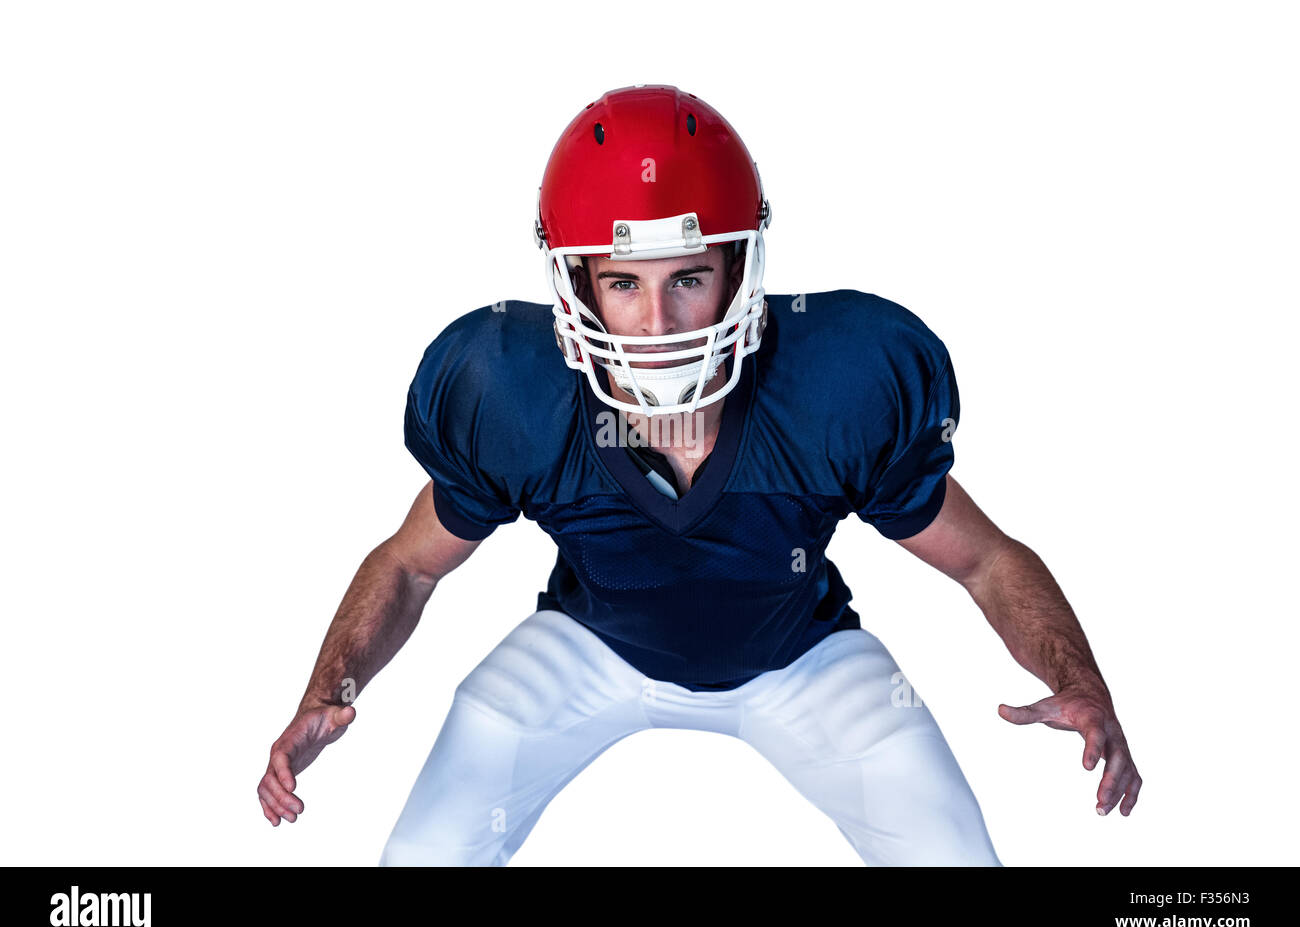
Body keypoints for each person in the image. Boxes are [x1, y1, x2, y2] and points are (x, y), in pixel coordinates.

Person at [257, 84, 1141, 866]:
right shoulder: (512, 392)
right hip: (590, 647)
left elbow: (985, 559)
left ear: (738, 273)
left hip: (799, 656)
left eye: (687, 278)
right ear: (574, 288)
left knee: (955, 856)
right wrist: (327, 689)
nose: (656, 324)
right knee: (422, 853)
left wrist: (1079, 677)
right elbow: (410, 564)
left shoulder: (834, 386)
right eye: (622, 285)